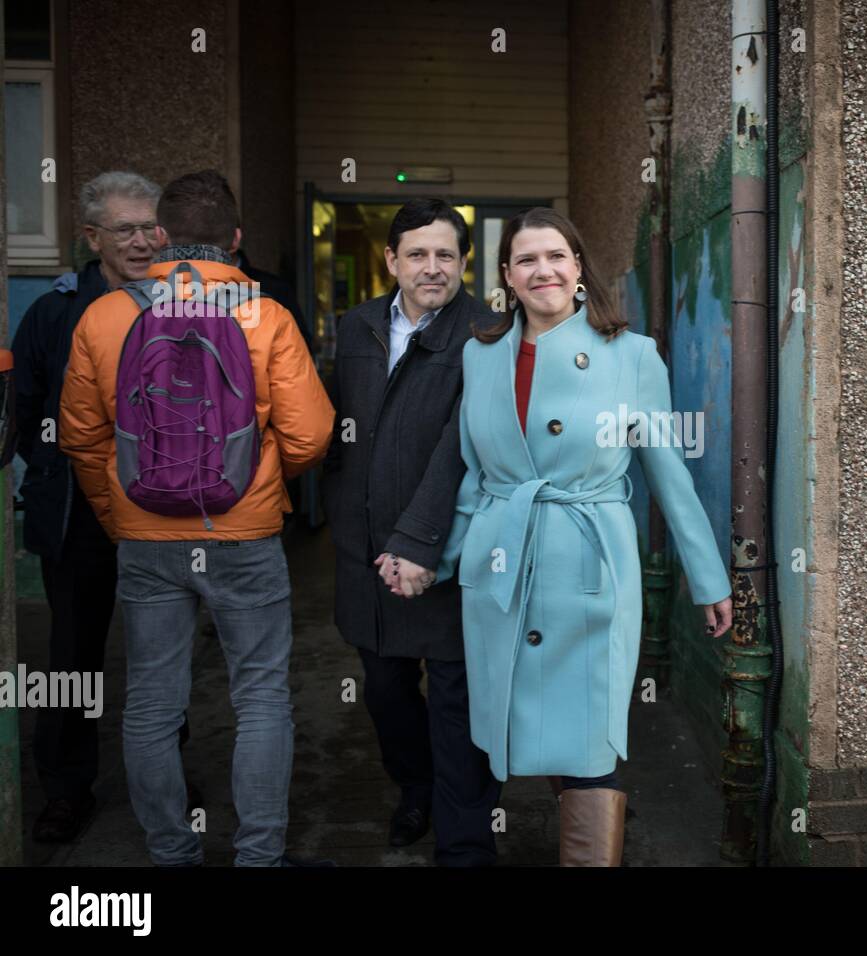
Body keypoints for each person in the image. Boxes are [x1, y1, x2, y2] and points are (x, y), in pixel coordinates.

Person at [430, 208, 734, 866]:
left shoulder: (631, 356)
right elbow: (473, 474)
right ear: (507, 276)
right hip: (501, 565)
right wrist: (437, 560)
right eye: (527, 260)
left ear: (577, 270)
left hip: (590, 563)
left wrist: (707, 577)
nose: (543, 270)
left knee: (588, 734)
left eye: (556, 257)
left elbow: (667, 472)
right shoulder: (480, 356)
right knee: (511, 724)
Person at [59, 169, 334, 866]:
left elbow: (82, 438)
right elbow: (310, 435)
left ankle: (172, 854)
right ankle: (258, 857)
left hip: (145, 538)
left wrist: (120, 513)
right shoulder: (263, 314)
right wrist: (261, 487)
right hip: (243, 535)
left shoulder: (104, 315)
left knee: (152, 702)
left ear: (160, 237)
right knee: (262, 697)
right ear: (236, 240)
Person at [13, 171, 200, 842]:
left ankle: (167, 779)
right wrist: (57, 472)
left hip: (169, 514)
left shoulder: (190, 303)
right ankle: (67, 788)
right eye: (125, 229)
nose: (145, 240)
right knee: (71, 658)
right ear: (92, 238)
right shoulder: (54, 314)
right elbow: (26, 414)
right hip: (78, 515)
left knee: (165, 654)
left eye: (153, 226)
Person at [322, 199, 501, 864]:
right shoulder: (359, 324)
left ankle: (465, 838)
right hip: (364, 556)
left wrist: (420, 540)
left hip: (451, 556)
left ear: (462, 263)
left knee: (458, 705)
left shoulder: (488, 332)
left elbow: (466, 448)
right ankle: (415, 789)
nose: (433, 267)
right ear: (391, 261)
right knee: (387, 693)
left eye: (446, 255)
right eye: (418, 254)